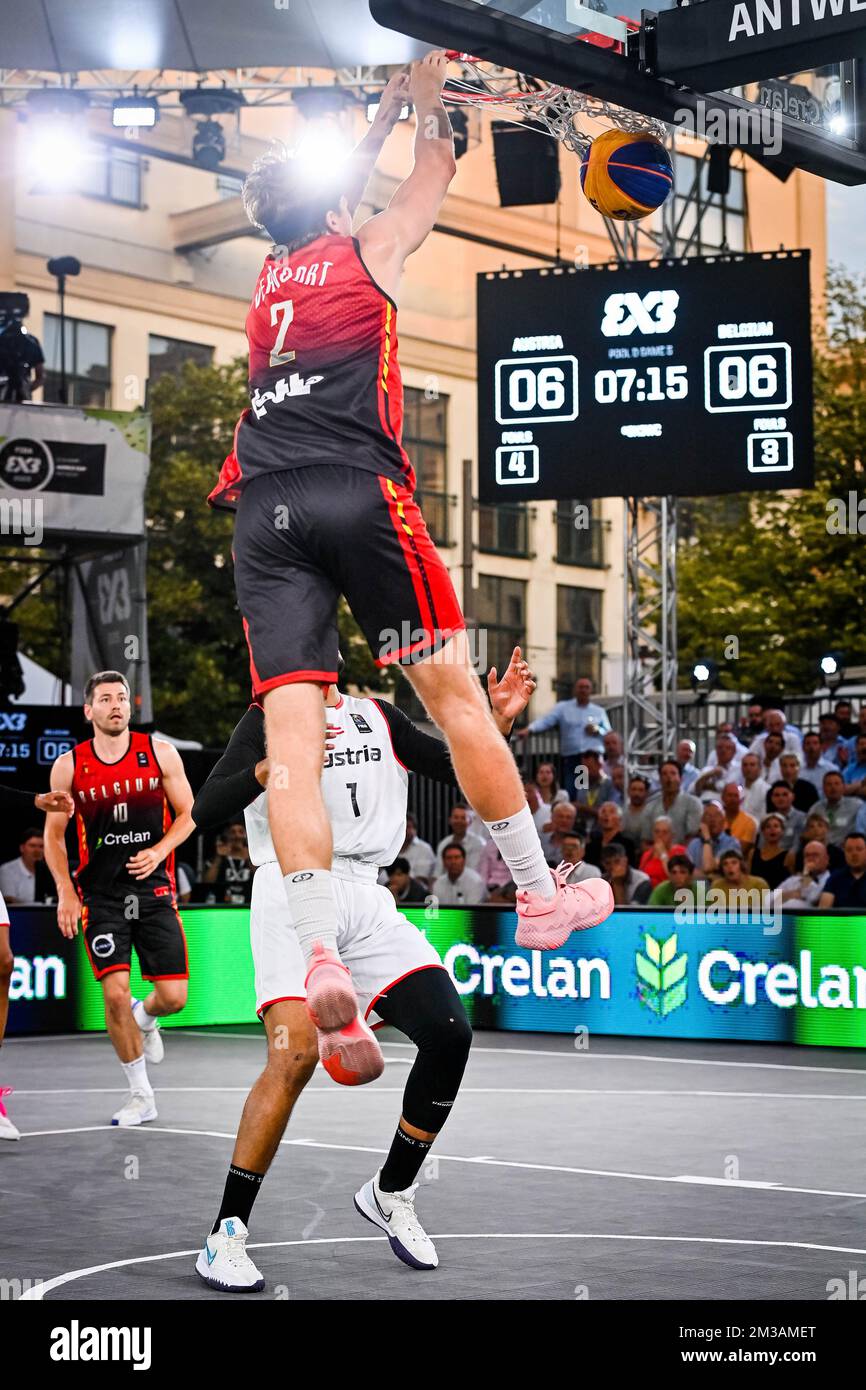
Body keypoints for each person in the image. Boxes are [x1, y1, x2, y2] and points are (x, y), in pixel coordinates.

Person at [208, 51, 612, 1033]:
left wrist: (381, 111)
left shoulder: (269, 281)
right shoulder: (370, 247)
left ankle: (312, 950)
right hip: (358, 496)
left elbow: (324, 194)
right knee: (456, 700)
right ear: (337, 207)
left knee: (291, 752)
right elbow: (434, 168)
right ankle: (536, 891)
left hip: (263, 517)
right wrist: (428, 105)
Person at [188, 647, 536, 1289]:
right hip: (290, 886)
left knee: (449, 1033)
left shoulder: (379, 715)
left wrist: (497, 722)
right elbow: (205, 809)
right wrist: (268, 767)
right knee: (292, 1059)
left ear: (335, 655)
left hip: (366, 893)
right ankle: (226, 1235)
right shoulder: (263, 719)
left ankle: (391, 1190)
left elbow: (453, 766)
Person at [43, 671, 195, 1128]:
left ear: (132, 707)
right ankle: (140, 1095)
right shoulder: (69, 767)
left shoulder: (159, 754)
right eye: (105, 698)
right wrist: (66, 892)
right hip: (101, 897)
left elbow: (191, 814)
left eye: (122, 698)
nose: (116, 705)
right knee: (113, 992)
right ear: (88, 710)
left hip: (154, 891)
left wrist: (159, 850)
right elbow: (53, 839)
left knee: (173, 997)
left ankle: (145, 1018)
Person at [518, 677, 611, 800]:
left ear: (591, 690)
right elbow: (546, 721)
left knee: (591, 790)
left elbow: (609, 733)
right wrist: (530, 729)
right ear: (574, 690)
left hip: (592, 758)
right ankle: (574, 814)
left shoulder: (598, 711)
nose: (583, 690)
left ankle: (585, 813)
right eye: (580, 687)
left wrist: (597, 730)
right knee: (572, 790)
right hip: (572, 757)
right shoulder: (563, 708)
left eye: (586, 687)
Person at [641, 760, 703, 847]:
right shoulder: (650, 806)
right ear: (660, 779)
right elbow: (645, 841)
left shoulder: (693, 803)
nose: (669, 777)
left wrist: (674, 854)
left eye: (673, 773)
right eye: (664, 774)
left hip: (683, 856)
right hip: (656, 854)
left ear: (681, 779)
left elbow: (692, 837)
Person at [686, 801, 741, 881]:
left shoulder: (731, 843)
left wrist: (707, 840)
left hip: (721, 890)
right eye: (708, 816)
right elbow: (687, 873)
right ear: (702, 821)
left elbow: (708, 867)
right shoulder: (694, 844)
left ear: (723, 820)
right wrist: (710, 876)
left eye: (717, 815)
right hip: (698, 890)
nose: (712, 820)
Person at [202, 821, 255, 904]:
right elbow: (207, 882)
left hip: (248, 904)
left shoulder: (253, 856)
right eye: (233, 832)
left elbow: (261, 879)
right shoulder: (219, 856)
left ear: (246, 835)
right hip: (222, 905)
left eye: (240, 832)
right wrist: (218, 857)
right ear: (227, 835)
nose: (237, 836)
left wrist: (249, 858)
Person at [773, 842, 831, 910]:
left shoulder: (831, 880)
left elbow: (811, 898)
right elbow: (770, 900)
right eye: (807, 855)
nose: (810, 859)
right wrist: (789, 895)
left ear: (826, 859)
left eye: (815, 855)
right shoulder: (793, 879)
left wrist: (806, 875)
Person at [434, 803, 485, 876]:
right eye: (456, 817)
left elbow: (475, 872)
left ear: (470, 822)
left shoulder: (479, 843)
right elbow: (438, 872)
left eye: (463, 818)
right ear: (450, 820)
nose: (459, 821)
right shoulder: (443, 843)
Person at [0, 828, 50, 904]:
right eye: (32, 846)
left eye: (41, 846)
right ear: (22, 848)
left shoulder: (49, 869)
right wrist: (37, 905)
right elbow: (8, 900)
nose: (37, 850)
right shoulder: (7, 870)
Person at [818, 832, 866, 909]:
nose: (854, 853)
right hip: (841, 920)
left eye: (859, 849)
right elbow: (823, 910)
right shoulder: (835, 878)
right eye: (849, 850)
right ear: (844, 853)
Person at [815, 770, 862, 847]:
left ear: (844, 787)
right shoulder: (816, 809)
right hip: (822, 849)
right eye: (829, 784)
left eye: (837, 784)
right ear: (823, 788)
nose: (833, 787)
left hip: (845, 850)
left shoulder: (856, 805)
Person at [638, 817, 687, 890]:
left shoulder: (680, 851)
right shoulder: (647, 854)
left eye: (665, 832)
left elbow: (677, 879)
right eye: (657, 832)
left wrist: (663, 854)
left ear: (672, 835)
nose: (660, 835)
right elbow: (640, 876)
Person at [572, 749, 615, 830]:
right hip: (583, 829)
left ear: (600, 765)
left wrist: (584, 808)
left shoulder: (610, 784)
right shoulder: (582, 785)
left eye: (589, 768)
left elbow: (612, 814)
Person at [585, 800, 636, 867]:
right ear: (599, 819)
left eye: (611, 812)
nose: (606, 815)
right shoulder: (591, 845)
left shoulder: (627, 844)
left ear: (619, 819)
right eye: (603, 811)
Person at [692, 733, 741, 802]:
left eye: (728, 748)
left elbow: (726, 790)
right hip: (704, 805)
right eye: (720, 747)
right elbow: (694, 790)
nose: (723, 751)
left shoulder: (739, 769)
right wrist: (709, 774)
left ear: (734, 751)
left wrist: (706, 786)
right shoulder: (707, 770)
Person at [750, 813, 791, 891]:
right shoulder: (752, 853)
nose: (772, 829)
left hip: (777, 899)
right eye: (768, 827)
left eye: (776, 826)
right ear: (763, 831)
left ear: (782, 831)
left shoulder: (788, 856)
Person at [720, 783, 757, 865]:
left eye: (736, 796)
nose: (733, 799)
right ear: (722, 797)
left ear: (741, 799)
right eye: (729, 795)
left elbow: (740, 850)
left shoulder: (749, 822)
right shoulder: (717, 819)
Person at [765, 781, 807, 851]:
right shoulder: (767, 819)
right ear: (772, 798)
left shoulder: (801, 818)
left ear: (793, 797)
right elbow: (761, 846)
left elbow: (798, 846)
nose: (781, 798)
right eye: (777, 795)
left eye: (785, 794)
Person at [529, 761, 570, 833]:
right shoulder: (532, 796)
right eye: (541, 772)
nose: (544, 776)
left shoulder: (562, 795)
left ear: (553, 776)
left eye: (548, 772)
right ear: (536, 776)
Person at [398, 813, 436, 888]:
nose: (405, 830)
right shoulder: (392, 848)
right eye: (402, 827)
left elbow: (422, 878)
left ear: (415, 829)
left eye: (408, 827)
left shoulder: (424, 849)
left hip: (418, 892)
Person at [798, 731, 838, 795]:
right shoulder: (798, 770)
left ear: (821, 746)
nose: (811, 747)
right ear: (803, 747)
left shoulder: (831, 769)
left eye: (815, 743)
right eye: (808, 743)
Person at [740, 751, 771, 821]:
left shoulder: (767, 790)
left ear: (760, 768)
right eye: (745, 765)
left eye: (752, 765)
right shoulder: (738, 789)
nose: (748, 768)